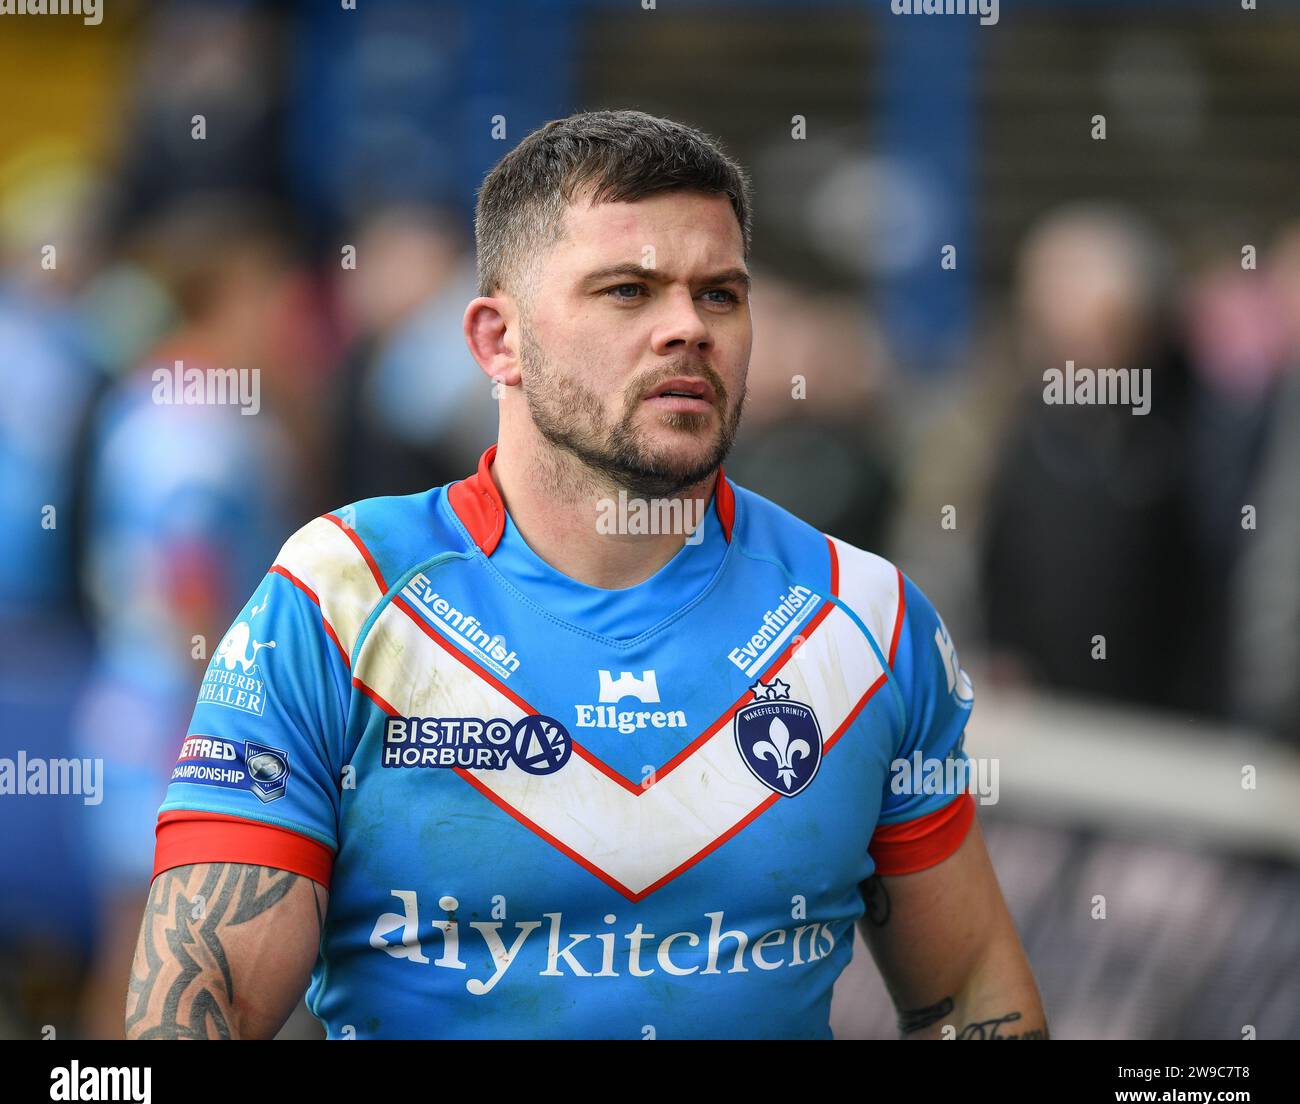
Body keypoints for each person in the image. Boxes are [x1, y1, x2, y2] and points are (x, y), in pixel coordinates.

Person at [125, 110, 1046, 1040]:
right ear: (497, 341)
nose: (687, 327)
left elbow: (971, 989)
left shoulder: (867, 618)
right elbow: (205, 1010)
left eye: (720, 295)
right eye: (628, 291)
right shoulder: (339, 597)